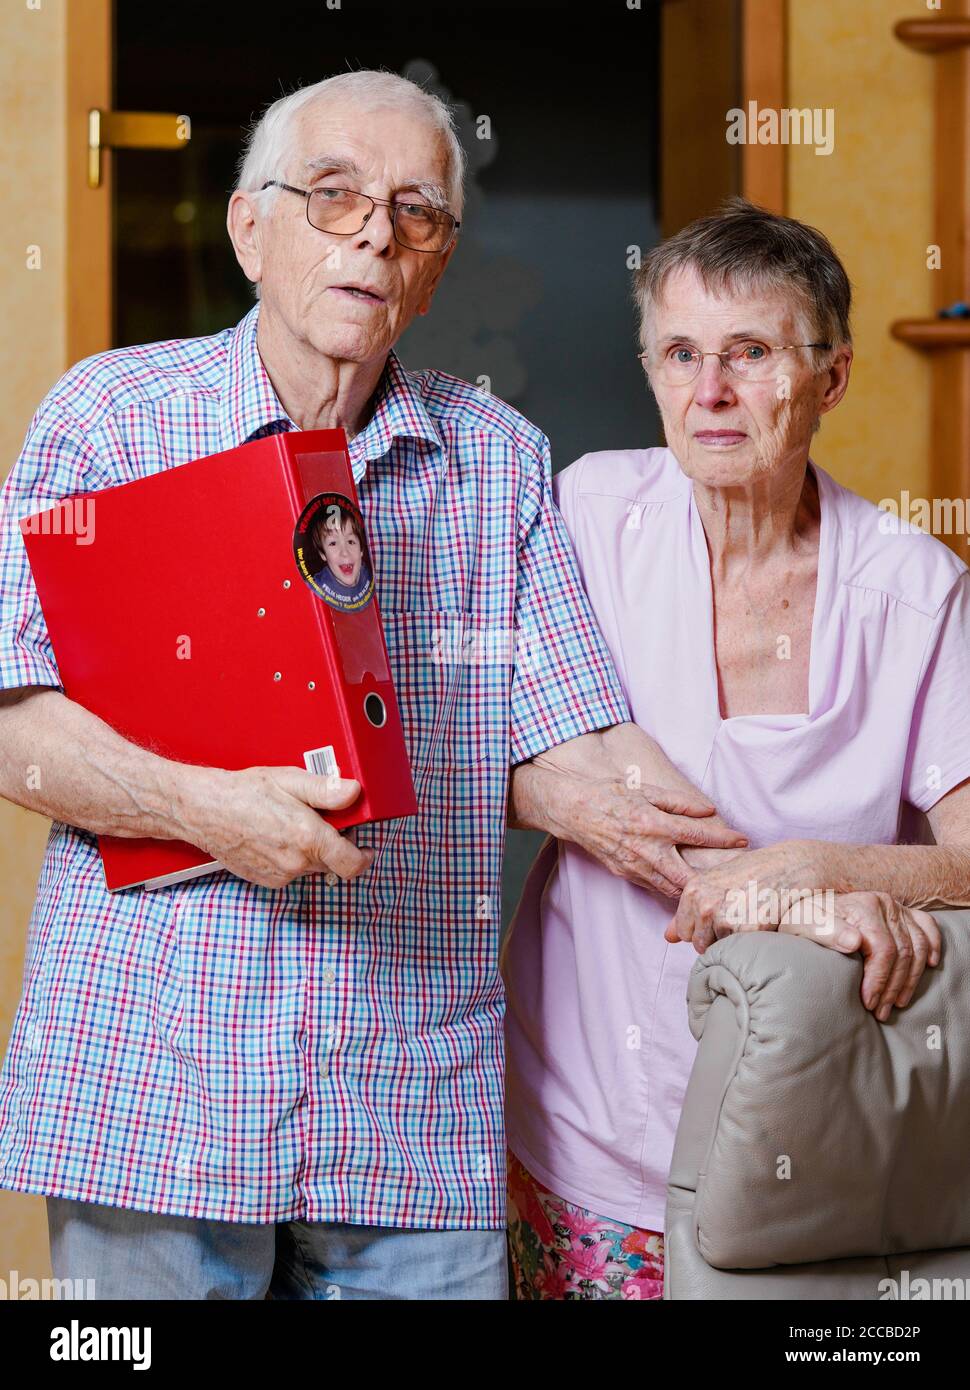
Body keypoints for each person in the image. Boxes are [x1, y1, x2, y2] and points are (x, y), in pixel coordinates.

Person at [0, 70, 743, 1301]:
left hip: (408, 1113)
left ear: (439, 259)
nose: (371, 236)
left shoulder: (496, 459)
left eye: (415, 212)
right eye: (332, 194)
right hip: (154, 1089)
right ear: (251, 227)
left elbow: (572, 745)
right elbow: (15, 725)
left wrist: (776, 875)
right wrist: (207, 810)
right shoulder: (111, 416)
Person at [502, 198, 970, 1300]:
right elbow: (471, 757)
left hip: (815, 1143)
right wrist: (566, 802)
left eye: (748, 354)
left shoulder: (911, 587)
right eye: (679, 354)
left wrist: (819, 869)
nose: (706, 393)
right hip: (583, 1123)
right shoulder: (583, 514)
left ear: (831, 377)